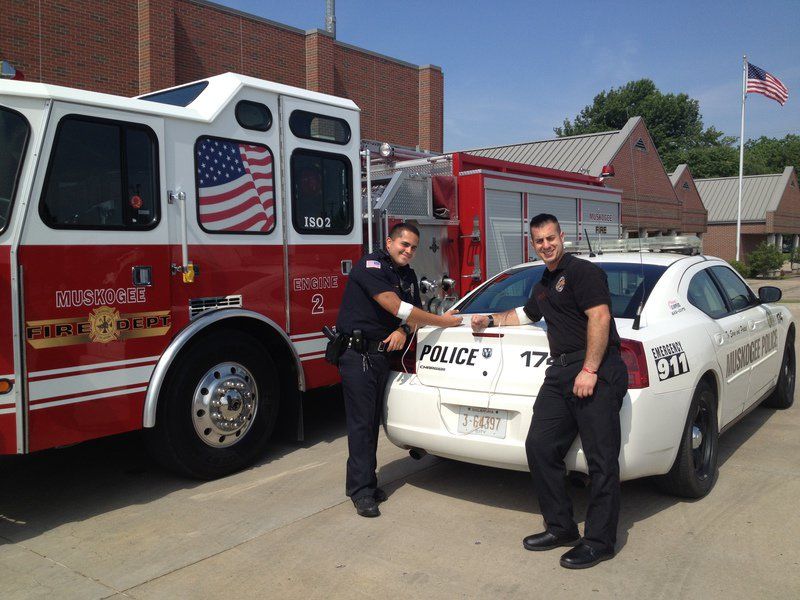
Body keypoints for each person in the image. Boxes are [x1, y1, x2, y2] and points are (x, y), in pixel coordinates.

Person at [471, 213, 628, 569]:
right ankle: (561, 527)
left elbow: (600, 317)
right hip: (559, 373)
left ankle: (601, 541)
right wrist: (489, 319)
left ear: (562, 236)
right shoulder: (544, 282)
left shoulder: (582, 273)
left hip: (595, 368)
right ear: (533, 243)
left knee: (602, 460)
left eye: (550, 238)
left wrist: (590, 369)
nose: (545, 245)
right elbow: (526, 315)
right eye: (539, 241)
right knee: (540, 446)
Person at [336, 222, 463, 518]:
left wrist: (405, 332)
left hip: (381, 356)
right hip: (358, 355)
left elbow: (410, 318)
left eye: (413, 247)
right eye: (403, 245)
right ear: (390, 242)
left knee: (372, 422)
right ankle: (362, 492)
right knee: (361, 425)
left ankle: (365, 481)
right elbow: (397, 307)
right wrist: (442, 321)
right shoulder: (370, 265)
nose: (408, 251)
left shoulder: (406, 274)